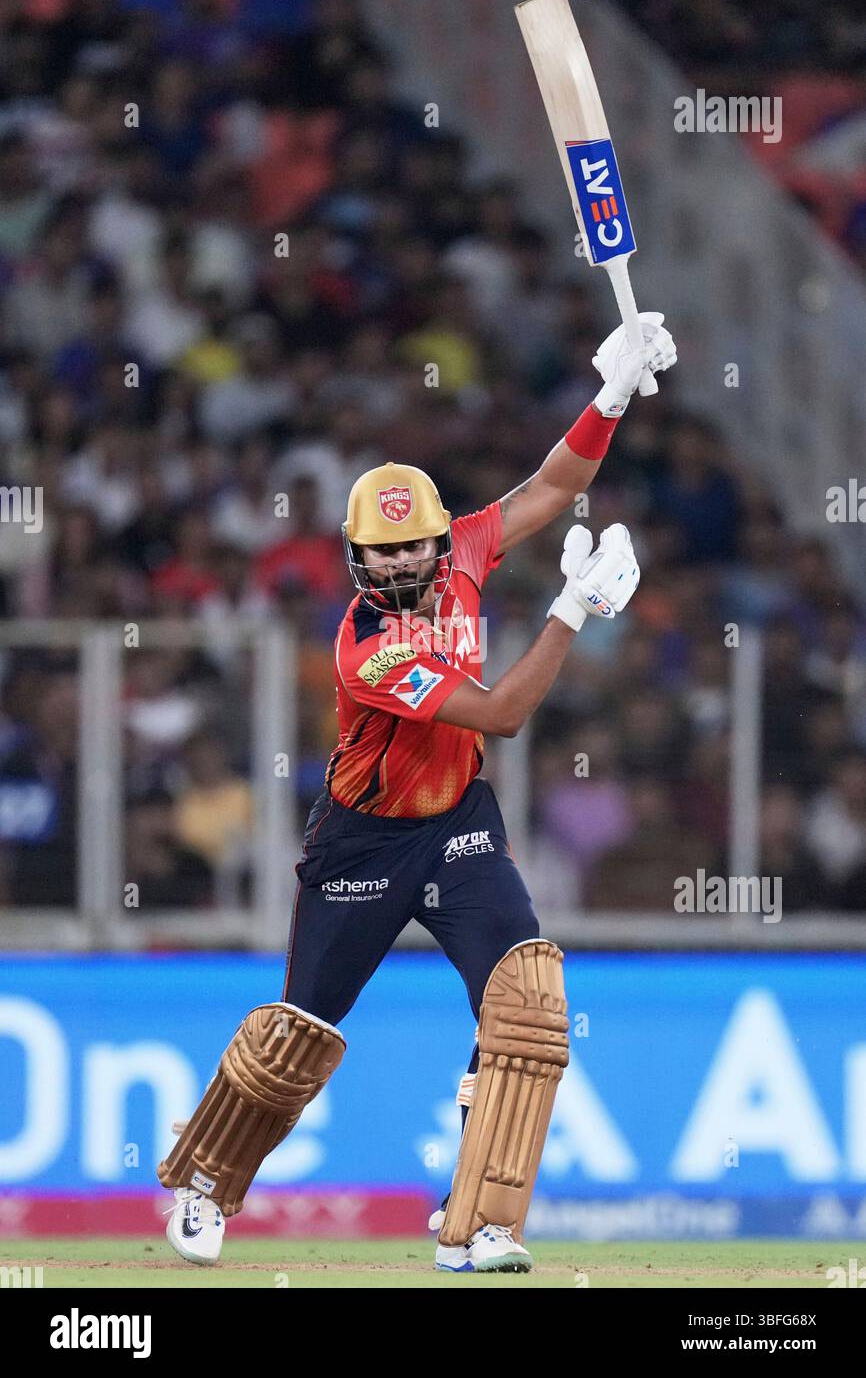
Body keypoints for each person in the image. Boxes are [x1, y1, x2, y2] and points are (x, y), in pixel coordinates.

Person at [159, 314, 677, 1272]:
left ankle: (479, 1223)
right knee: (295, 1038)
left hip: (458, 829)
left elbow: (554, 486)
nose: (399, 564)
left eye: (413, 549)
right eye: (381, 553)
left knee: (526, 1000)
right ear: (357, 557)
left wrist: (610, 394)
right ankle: (205, 1184)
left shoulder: (470, 549)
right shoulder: (370, 651)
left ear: (441, 542)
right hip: (361, 844)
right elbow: (504, 715)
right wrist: (575, 608)